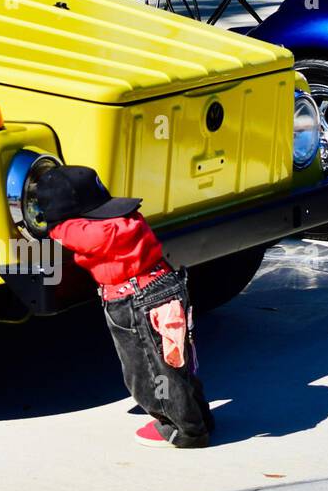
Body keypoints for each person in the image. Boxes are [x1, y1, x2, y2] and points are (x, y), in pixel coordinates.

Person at [32, 164, 215, 448]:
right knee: (175, 363)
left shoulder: (89, 231)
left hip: (136, 302)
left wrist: (53, 226)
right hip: (165, 286)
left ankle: (181, 429)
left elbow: (70, 233)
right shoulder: (127, 218)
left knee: (149, 373)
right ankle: (198, 416)